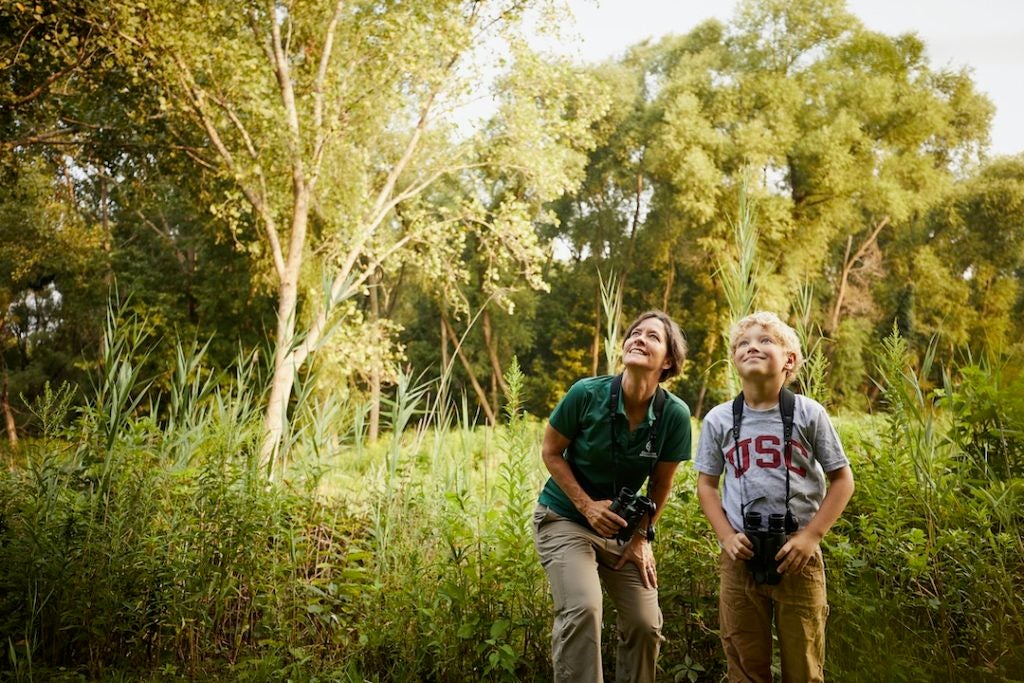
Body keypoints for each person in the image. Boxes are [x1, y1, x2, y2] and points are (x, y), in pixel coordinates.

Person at [694, 311, 855, 683]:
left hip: (798, 557)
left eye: (766, 340)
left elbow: (842, 480)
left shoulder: (808, 413)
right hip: (741, 557)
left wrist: (811, 536)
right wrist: (726, 536)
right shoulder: (719, 419)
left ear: (790, 360)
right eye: (743, 343)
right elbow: (706, 485)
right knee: (745, 665)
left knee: (804, 665)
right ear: (734, 360)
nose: (752, 346)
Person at [533, 310, 693, 683]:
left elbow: (660, 486)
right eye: (634, 333)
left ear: (668, 360)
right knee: (585, 608)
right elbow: (550, 452)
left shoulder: (674, 415)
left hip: (621, 529)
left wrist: (641, 538)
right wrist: (587, 506)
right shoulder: (585, 393)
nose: (638, 338)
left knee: (645, 623)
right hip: (565, 518)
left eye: (652, 336)